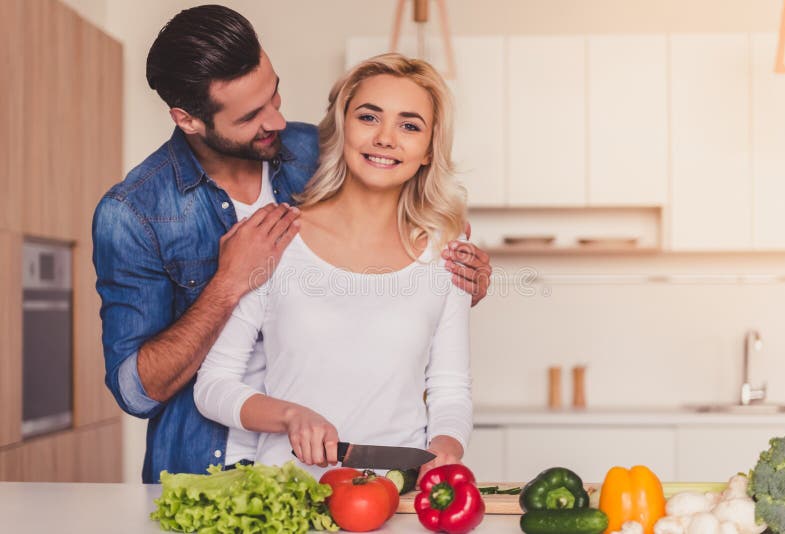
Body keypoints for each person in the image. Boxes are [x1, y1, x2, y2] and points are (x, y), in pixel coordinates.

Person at [92, 4, 492, 484]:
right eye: (252, 115)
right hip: (212, 468)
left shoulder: (311, 147)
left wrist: (461, 268)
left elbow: (394, 174)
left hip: (377, 488)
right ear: (189, 120)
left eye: (274, 94)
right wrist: (229, 282)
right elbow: (138, 390)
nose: (278, 122)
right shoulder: (134, 212)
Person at [194, 53, 471, 483]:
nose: (385, 138)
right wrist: (289, 416)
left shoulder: (446, 253)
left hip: (397, 496)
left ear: (429, 151)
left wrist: (446, 446)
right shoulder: (274, 237)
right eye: (368, 117)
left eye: (409, 125)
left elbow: (450, 389)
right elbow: (213, 386)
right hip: (286, 499)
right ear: (342, 128)